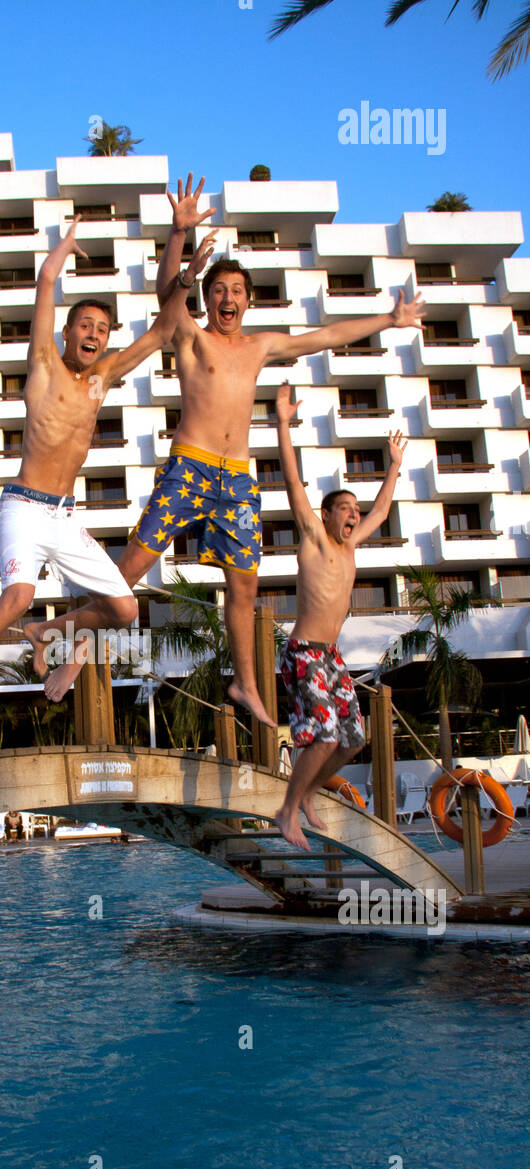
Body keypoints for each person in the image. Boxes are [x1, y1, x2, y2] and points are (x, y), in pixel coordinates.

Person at [44, 174, 424, 724]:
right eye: (218, 291)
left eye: (236, 291)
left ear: (247, 301)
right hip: (190, 469)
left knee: (243, 586)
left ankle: (247, 685)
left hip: (239, 480)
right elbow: (164, 298)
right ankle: (74, 652)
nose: (227, 298)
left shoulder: (258, 346)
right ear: (207, 299)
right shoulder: (191, 336)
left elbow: (322, 337)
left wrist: (390, 319)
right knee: (129, 568)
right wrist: (178, 236)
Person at [0, 217, 211, 740]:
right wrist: (58, 256)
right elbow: (45, 285)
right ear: (67, 332)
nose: (94, 335)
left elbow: (165, 331)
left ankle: (48, 632)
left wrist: (186, 274)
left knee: (124, 608)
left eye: (102, 330)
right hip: (22, 509)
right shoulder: (44, 365)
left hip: (63, 515)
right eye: (86, 326)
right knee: (16, 597)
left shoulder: (103, 377)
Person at [272, 383, 406, 849]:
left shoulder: (351, 546)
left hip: (331, 655)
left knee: (353, 739)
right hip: (303, 654)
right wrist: (283, 426)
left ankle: (308, 793)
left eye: (355, 510)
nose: (353, 515)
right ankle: (287, 810)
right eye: (344, 509)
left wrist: (392, 467)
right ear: (325, 514)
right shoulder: (314, 538)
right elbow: (292, 481)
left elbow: (384, 507)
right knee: (325, 735)